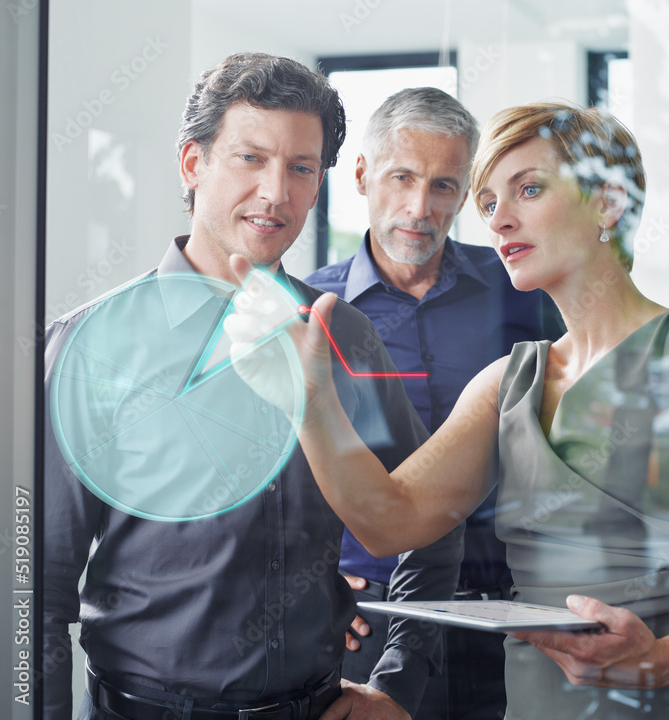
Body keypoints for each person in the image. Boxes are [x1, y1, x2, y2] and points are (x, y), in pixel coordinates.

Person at [226, 101, 669, 718]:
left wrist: (661, 659)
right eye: (489, 201)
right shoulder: (508, 381)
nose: (499, 220)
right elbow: (390, 522)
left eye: (530, 189)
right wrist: (310, 402)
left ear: (608, 202)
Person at [42, 52, 462, 720]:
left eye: (301, 168)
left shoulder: (346, 337)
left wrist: (398, 682)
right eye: (250, 159)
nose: (275, 192)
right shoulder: (90, 346)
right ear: (193, 164)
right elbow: (36, 586)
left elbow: (432, 517)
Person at [305, 87, 560, 720]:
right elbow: (281, 471)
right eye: (402, 177)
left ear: (465, 193)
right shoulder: (312, 311)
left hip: (504, 612)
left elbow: (568, 435)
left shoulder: (521, 292)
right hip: (367, 616)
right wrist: (308, 584)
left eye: (444, 185)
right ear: (361, 176)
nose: (420, 208)